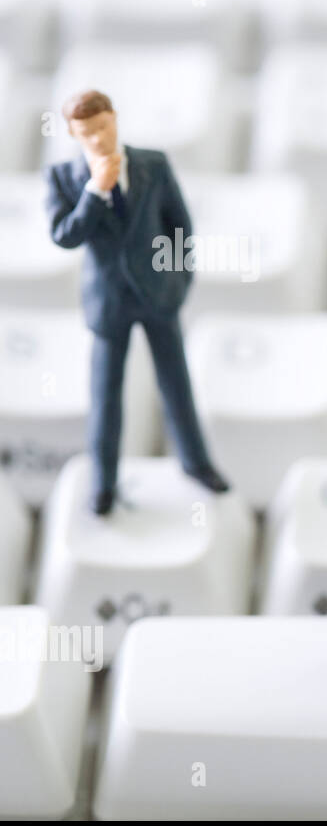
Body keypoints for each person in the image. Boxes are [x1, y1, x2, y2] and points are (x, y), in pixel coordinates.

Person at [45, 89, 229, 514]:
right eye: (86, 133)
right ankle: (104, 483)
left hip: (159, 295)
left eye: (103, 127)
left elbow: (178, 224)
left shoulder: (153, 164)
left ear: (115, 119)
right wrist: (95, 192)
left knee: (176, 385)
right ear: (74, 134)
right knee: (106, 397)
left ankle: (196, 462)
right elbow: (65, 235)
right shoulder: (63, 178)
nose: (97, 139)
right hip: (108, 303)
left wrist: (180, 280)